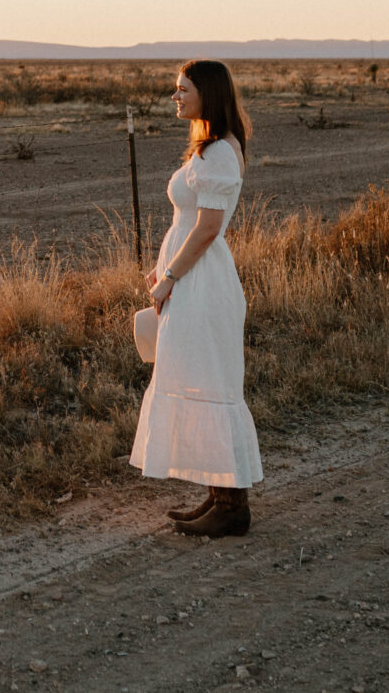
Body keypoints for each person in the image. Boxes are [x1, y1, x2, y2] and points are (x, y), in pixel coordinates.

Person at [129, 58, 263, 536]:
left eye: (182, 88)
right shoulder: (210, 149)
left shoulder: (221, 154)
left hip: (203, 282)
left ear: (207, 92)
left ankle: (232, 508)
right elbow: (191, 224)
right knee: (197, 373)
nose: (175, 96)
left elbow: (208, 228)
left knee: (210, 378)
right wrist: (164, 265)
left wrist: (170, 276)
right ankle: (218, 497)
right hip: (193, 276)